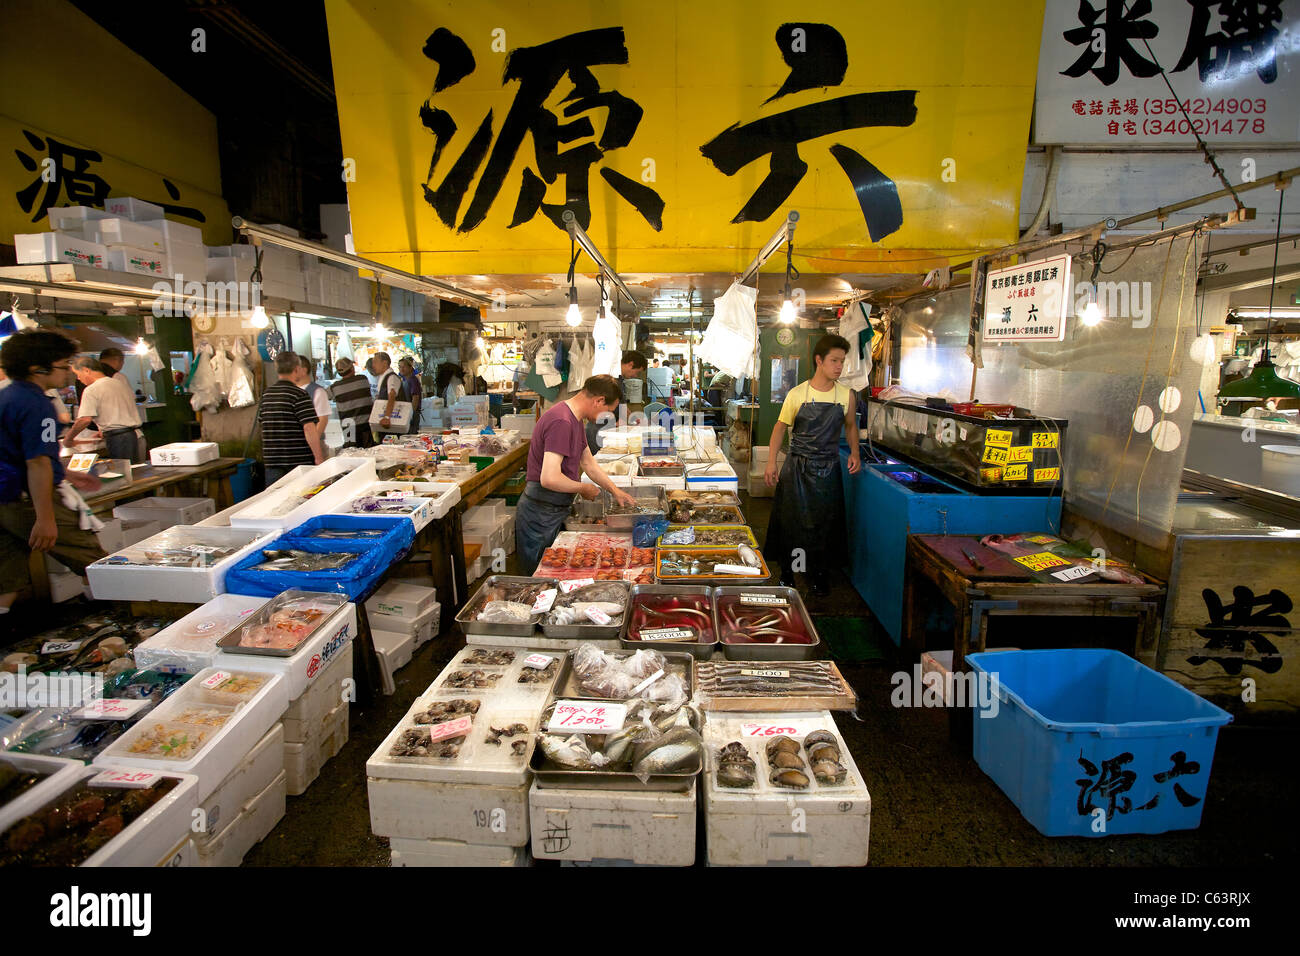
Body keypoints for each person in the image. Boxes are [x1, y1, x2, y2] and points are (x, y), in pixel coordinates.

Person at [0, 330, 104, 615]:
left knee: (6, 575)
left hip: (4, 499)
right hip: (28, 501)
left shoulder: (6, 397)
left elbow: (15, 452)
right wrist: (45, 519)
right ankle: (118, 624)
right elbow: (37, 463)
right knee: (93, 562)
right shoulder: (37, 404)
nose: (69, 372)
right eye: (63, 365)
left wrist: (66, 474)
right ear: (38, 368)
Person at [762, 334, 861, 596]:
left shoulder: (846, 395)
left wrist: (854, 452)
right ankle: (788, 572)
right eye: (834, 361)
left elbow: (851, 426)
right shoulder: (797, 394)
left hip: (828, 468)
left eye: (842, 361)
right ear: (819, 360)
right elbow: (779, 428)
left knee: (824, 525)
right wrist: (771, 462)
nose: (839, 366)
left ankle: (817, 574)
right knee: (791, 522)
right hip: (797, 468)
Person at [515, 375, 638, 572]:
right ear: (598, 401)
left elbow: (588, 463)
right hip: (541, 513)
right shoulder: (561, 422)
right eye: (608, 411)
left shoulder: (574, 418)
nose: (606, 417)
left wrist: (615, 491)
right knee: (539, 577)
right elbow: (549, 478)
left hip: (555, 508)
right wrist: (583, 488)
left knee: (556, 570)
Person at [258, 351, 325, 486]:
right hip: (298, 462)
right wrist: (319, 458)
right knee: (302, 501)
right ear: (297, 369)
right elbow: (309, 428)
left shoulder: (266, 395)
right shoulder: (299, 394)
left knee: (276, 502)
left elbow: (262, 425)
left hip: (273, 462)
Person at [64, 356, 144, 463]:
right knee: (132, 472)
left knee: (122, 473)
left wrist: (68, 438)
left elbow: (85, 420)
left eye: (78, 374)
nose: (78, 378)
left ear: (86, 370)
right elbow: (117, 411)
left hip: (118, 439)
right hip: (132, 436)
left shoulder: (91, 389)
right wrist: (104, 429)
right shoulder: (118, 383)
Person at [585, 350, 647, 453]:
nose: (636, 375)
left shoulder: (620, 381)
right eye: (637, 371)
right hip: (599, 429)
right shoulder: (610, 379)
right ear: (630, 364)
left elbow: (622, 405)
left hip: (610, 429)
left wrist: (632, 418)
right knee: (600, 460)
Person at [330, 356, 374, 448]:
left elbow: (324, 395)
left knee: (351, 453)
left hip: (348, 426)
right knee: (368, 452)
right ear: (352, 368)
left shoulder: (335, 387)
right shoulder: (362, 379)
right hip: (365, 424)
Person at [371, 351, 409, 436]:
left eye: (375, 362)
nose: (373, 365)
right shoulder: (383, 377)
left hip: (392, 423)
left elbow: (392, 396)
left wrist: (387, 417)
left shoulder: (392, 377)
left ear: (384, 363)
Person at [298, 355, 332, 446]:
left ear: (303, 370)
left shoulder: (317, 391)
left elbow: (322, 420)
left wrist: (312, 443)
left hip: (313, 445)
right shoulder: (290, 390)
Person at [399, 357, 424, 433]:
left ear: (410, 368)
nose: (401, 369)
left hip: (412, 413)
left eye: (404, 367)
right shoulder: (404, 380)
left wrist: (410, 414)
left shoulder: (412, 380)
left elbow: (415, 397)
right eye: (400, 366)